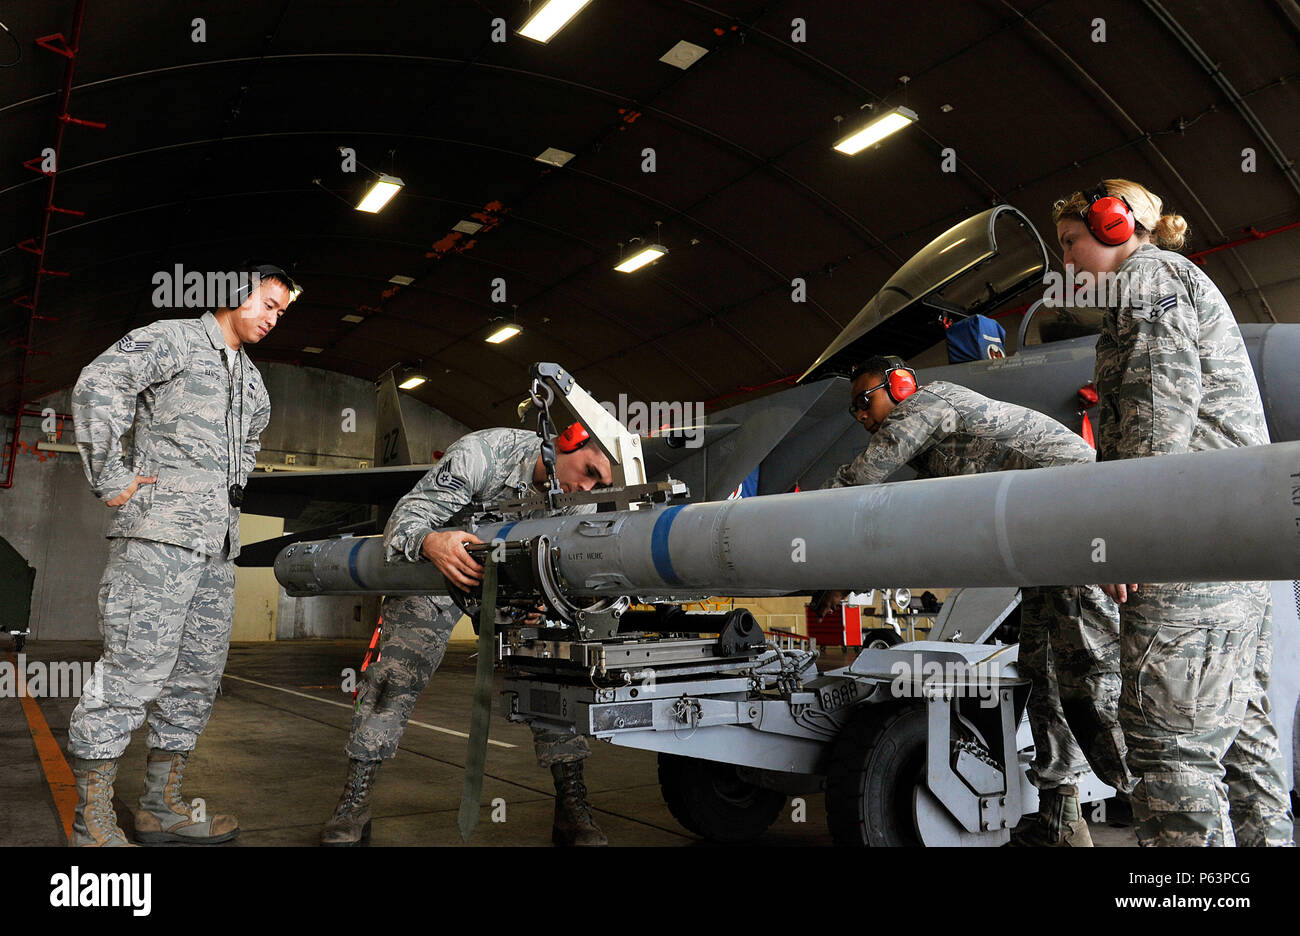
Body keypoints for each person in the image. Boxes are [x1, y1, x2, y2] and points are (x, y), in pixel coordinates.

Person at [1053, 178, 1294, 846]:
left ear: (1113, 223)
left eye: (1072, 241)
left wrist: (1127, 540)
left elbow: (1160, 425)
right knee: (1248, 755)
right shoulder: (1174, 281)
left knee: (1170, 755)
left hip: (1184, 555)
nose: (1066, 261)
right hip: (1231, 557)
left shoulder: (1149, 282)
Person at [823, 355, 1133, 846]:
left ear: (899, 385)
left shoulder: (928, 404)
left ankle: (1164, 796)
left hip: (1079, 524)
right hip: (1045, 553)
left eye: (865, 401)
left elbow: (857, 481)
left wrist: (804, 541)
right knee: (1043, 672)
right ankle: (1060, 817)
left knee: (1092, 678)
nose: (861, 416)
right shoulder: (936, 455)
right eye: (853, 411)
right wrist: (845, 577)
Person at [68, 265, 298, 846]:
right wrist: (111, 475)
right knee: (130, 671)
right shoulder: (173, 339)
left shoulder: (252, 383)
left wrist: (221, 508)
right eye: (267, 304)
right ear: (234, 295)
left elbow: (246, 450)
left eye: (281, 312)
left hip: (217, 552)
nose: (273, 319)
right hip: (158, 540)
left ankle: (160, 806)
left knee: (195, 679)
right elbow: (100, 383)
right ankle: (92, 818)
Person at [321, 424, 615, 847]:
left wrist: (550, 599)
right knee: (392, 680)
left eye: (600, 483)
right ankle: (354, 804)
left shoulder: (579, 501)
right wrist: (429, 541)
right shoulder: (484, 454)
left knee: (556, 680)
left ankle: (572, 807)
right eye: (588, 471)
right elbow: (404, 520)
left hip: (519, 587)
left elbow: (570, 562)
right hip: (437, 575)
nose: (587, 487)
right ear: (563, 444)